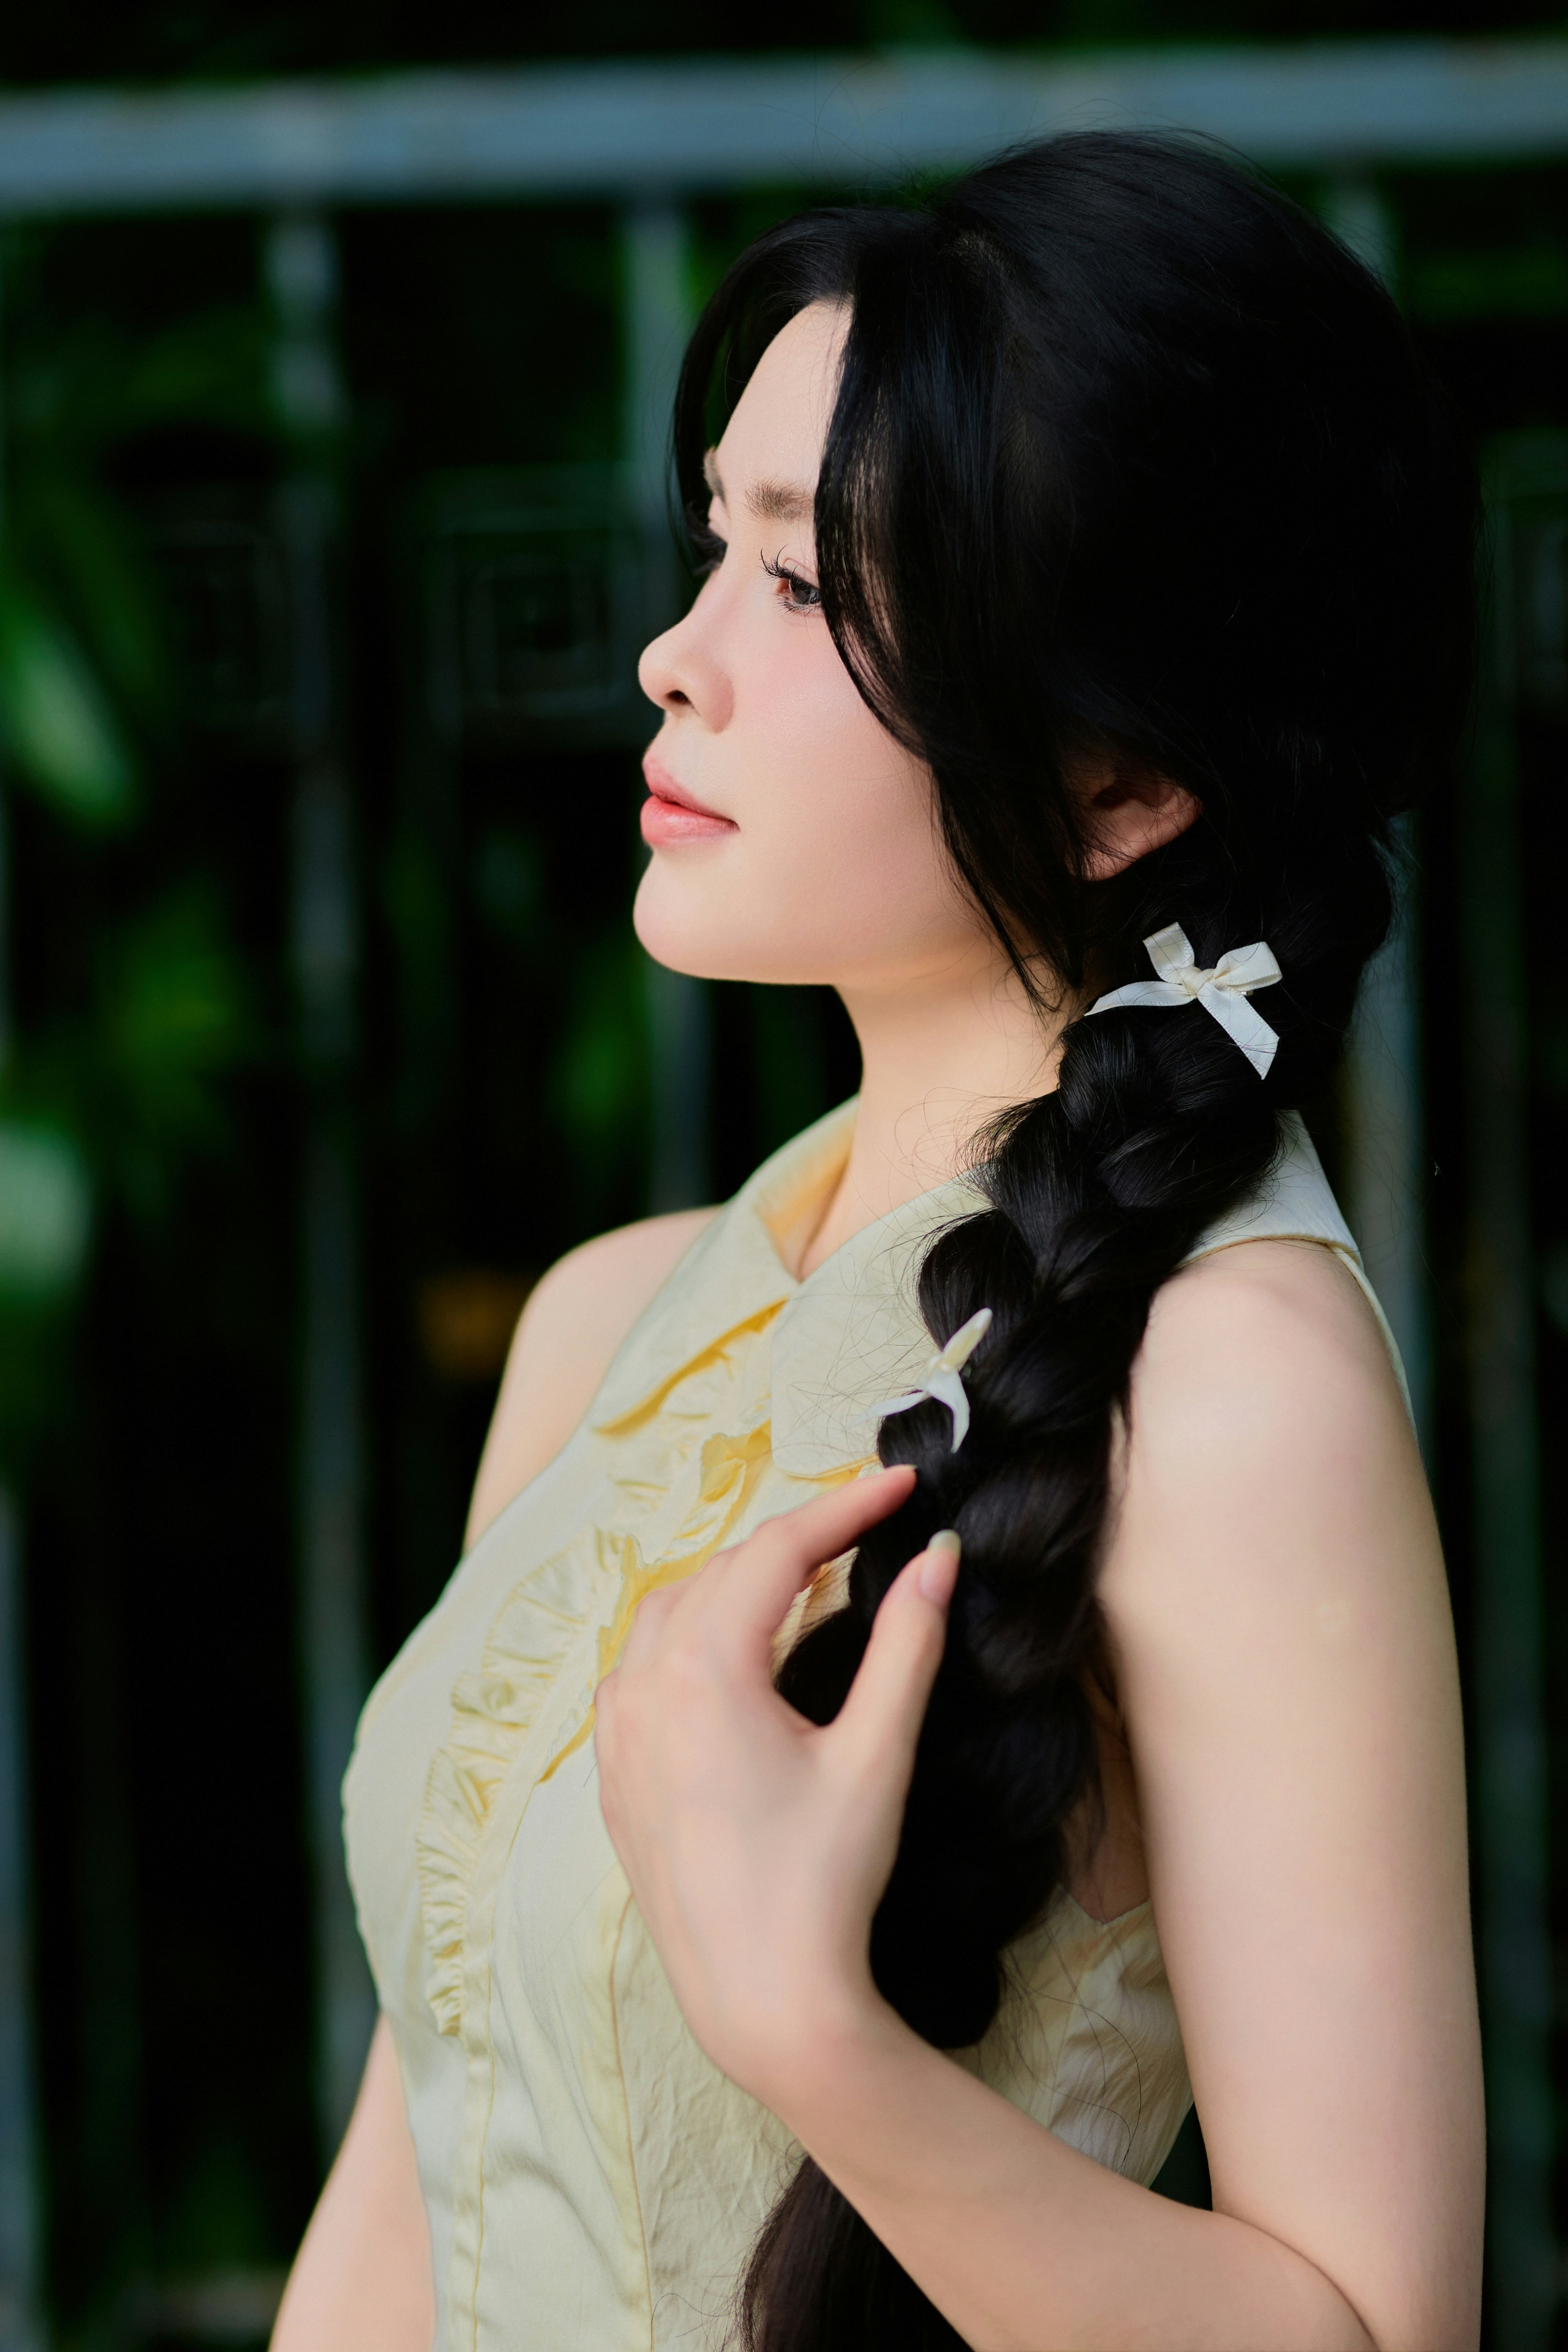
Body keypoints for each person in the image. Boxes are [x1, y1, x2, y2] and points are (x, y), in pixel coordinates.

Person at [273, 133, 1483, 2352]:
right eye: (710, 547)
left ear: (1122, 783)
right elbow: (412, 2176)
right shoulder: (608, 1319)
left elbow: (1372, 2323)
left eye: (808, 592)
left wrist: (812, 2029)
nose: (675, 659)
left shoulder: (1232, 1386)